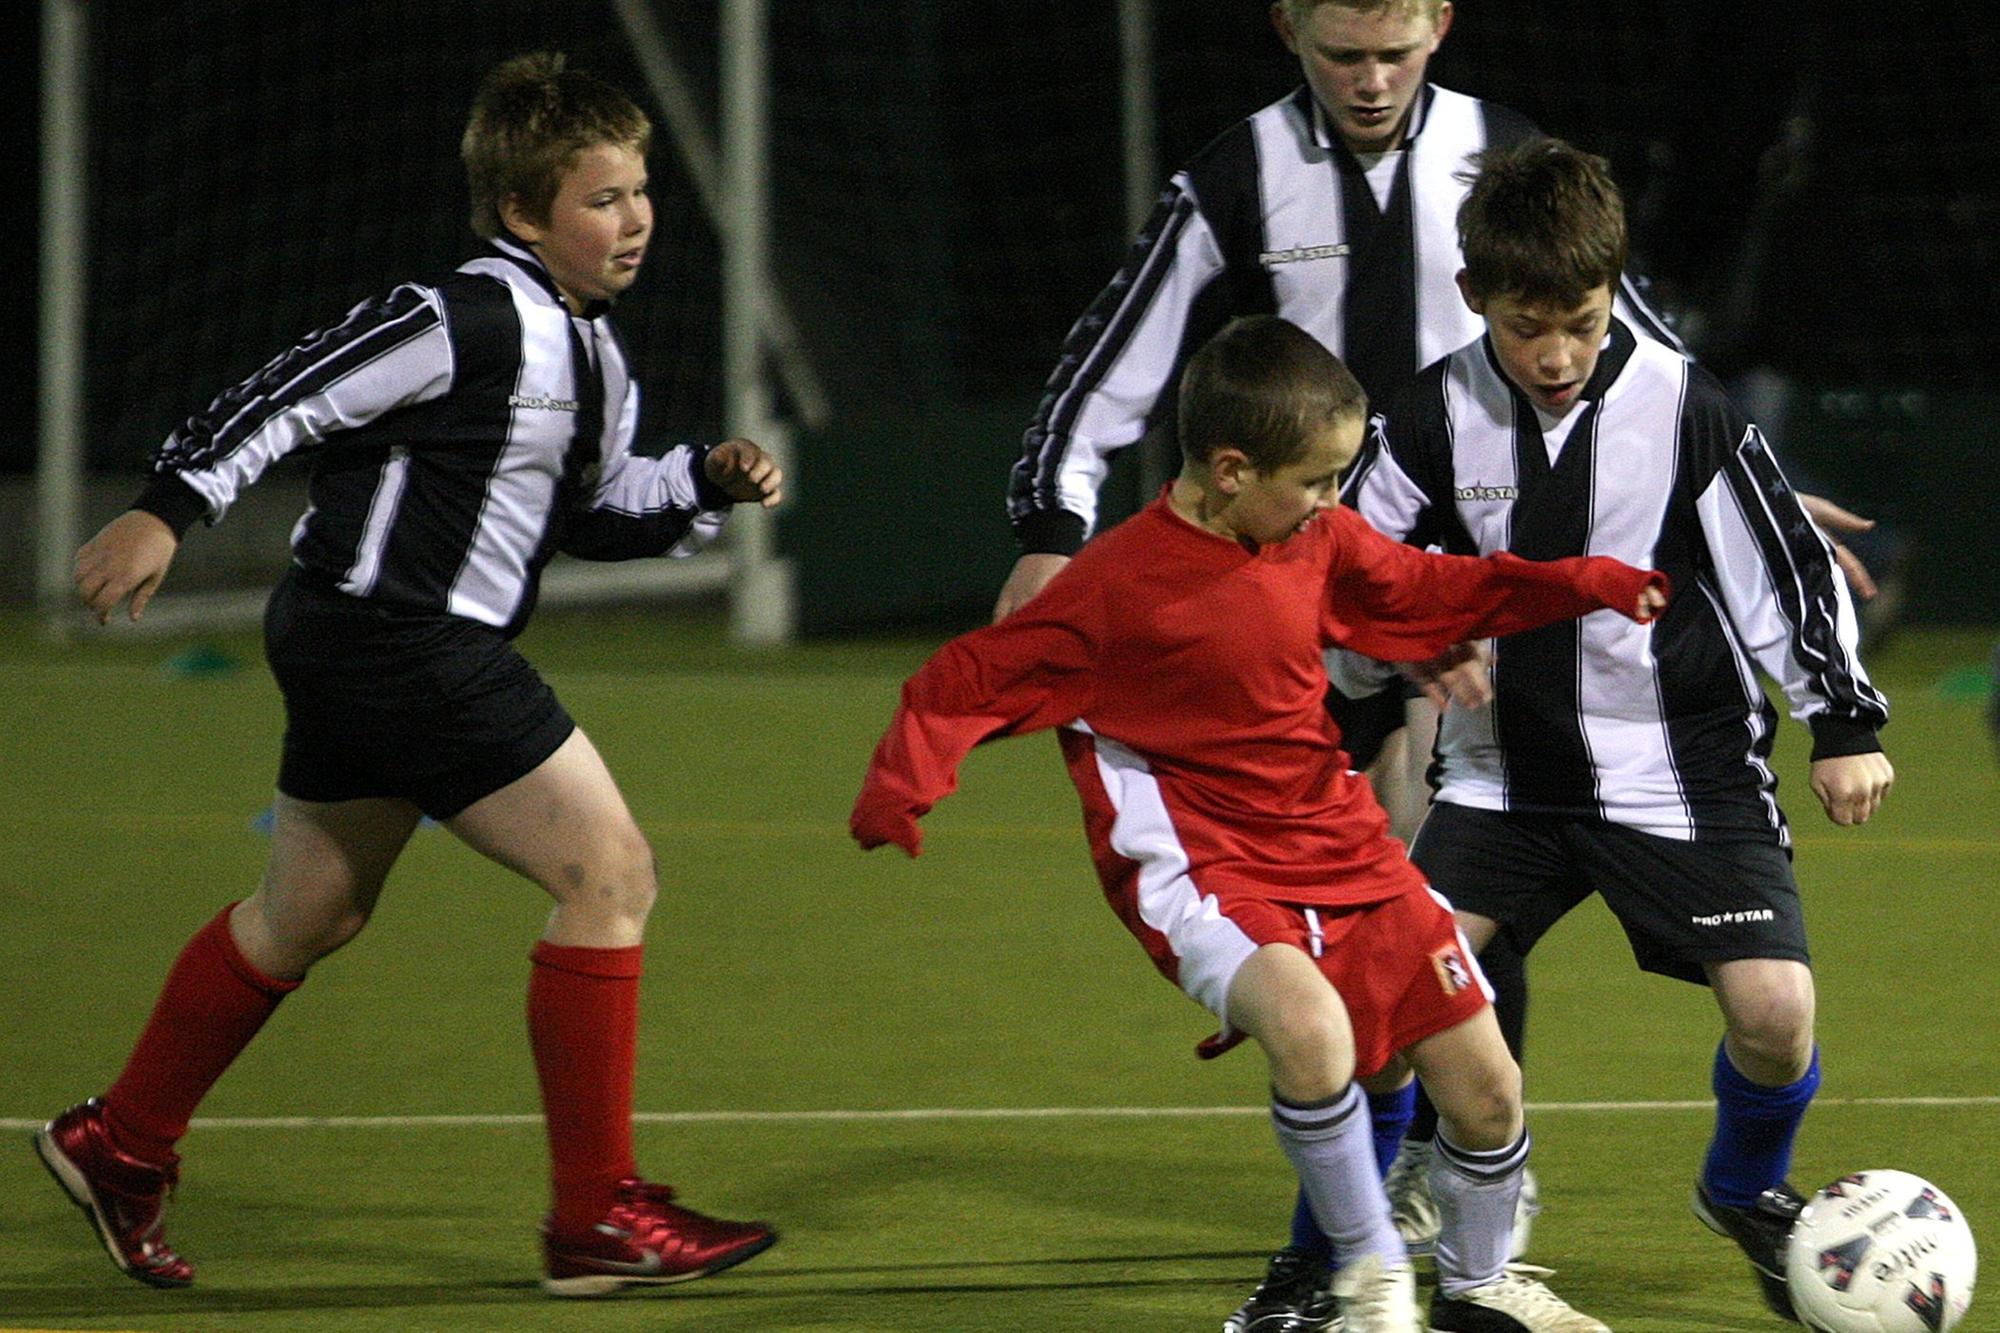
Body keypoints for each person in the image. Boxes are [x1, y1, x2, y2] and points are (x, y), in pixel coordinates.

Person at [36, 53, 782, 1297]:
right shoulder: (460, 315)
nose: (637, 218)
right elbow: (288, 392)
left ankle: (120, 1141)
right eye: (601, 199)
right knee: (608, 873)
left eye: (640, 191)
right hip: (400, 641)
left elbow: (593, 511)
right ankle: (594, 1216)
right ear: (520, 213)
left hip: (367, 642)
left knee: (307, 914)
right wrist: (168, 507)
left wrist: (699, 479)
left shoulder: (594, 355)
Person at [856, 314, 1663, 1332]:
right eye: (1316, 480)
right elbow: (969, 676)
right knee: (1312, 1032)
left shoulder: (1314, 539)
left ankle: (1477, 1286)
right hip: (1201, 863)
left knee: (1486, 1085)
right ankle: (1366, 1273)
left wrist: (1581, 582)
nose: (1332, 501)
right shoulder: (1114, 585)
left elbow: (1428, 585)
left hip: (1339, 841)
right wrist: (902, 785)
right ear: (1231, 470)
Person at [1330, 137, 1892, 1324]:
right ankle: (1351, 1244)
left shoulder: (1683, 407)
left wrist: (1841, 722)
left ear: (1611, 294)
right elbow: (1347, 570)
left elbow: (1780, 573)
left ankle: (1740, 1187)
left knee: (1774, 1016)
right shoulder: (1427, 414)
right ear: (1474, 295)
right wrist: (1392, 652)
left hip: (1680, 771)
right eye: (1525, 325)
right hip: (1498, 779)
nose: (1554, 355)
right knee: (1378, 1009)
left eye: (1580, 324)